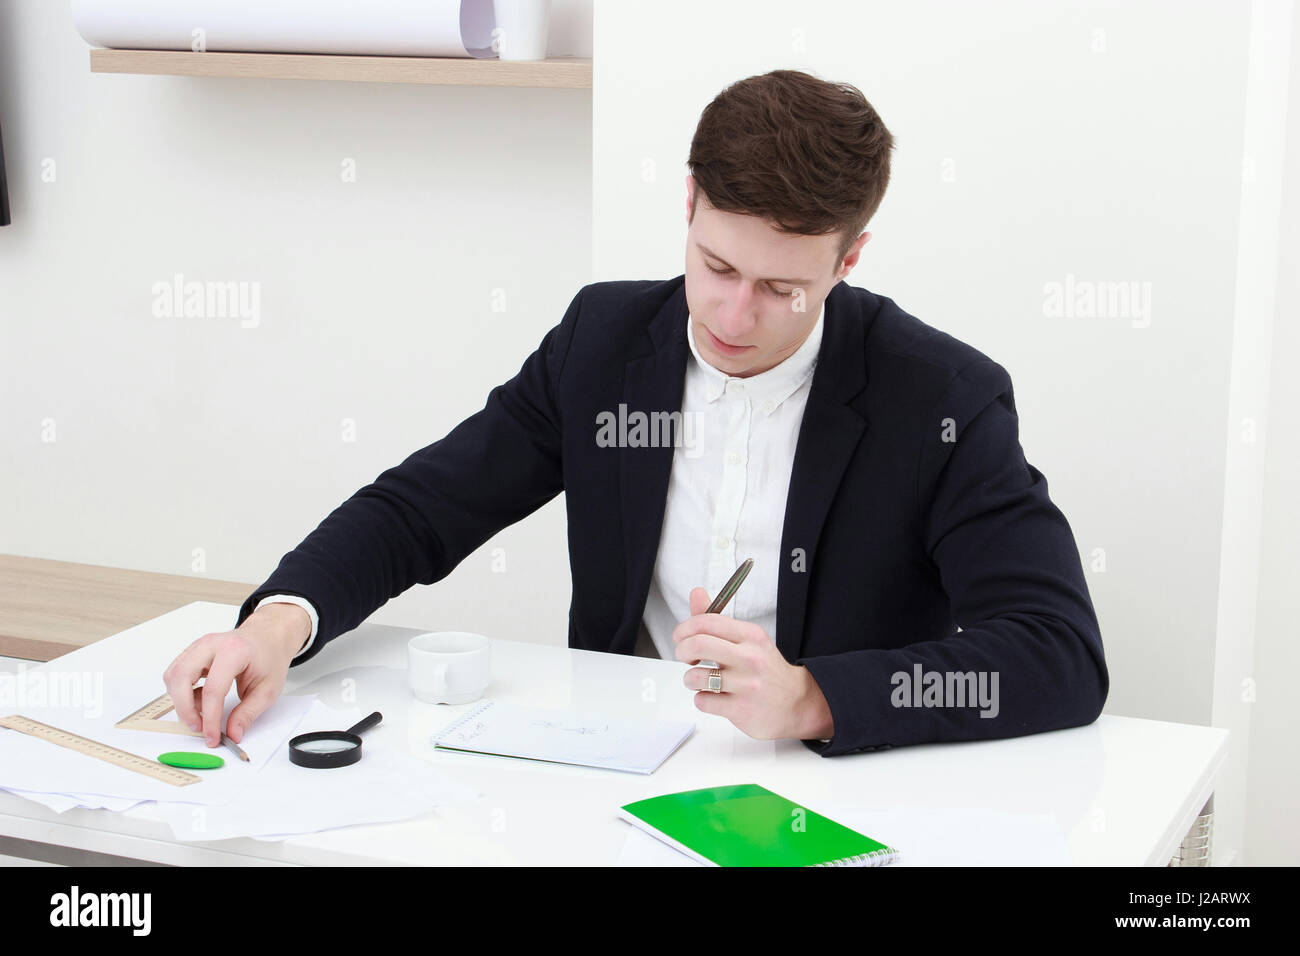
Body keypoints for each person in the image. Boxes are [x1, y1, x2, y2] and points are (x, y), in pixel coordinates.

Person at [163, 69, 1107, 756]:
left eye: (783, 288)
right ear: (689, 204)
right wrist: (278, 624)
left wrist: (816, 698)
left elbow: (1057, 652)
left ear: (850, 259)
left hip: (835, 794)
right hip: (616, 771)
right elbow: (423, 508)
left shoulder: (941, 396)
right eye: (719, 267)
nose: (735, 317)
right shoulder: (605, 339)